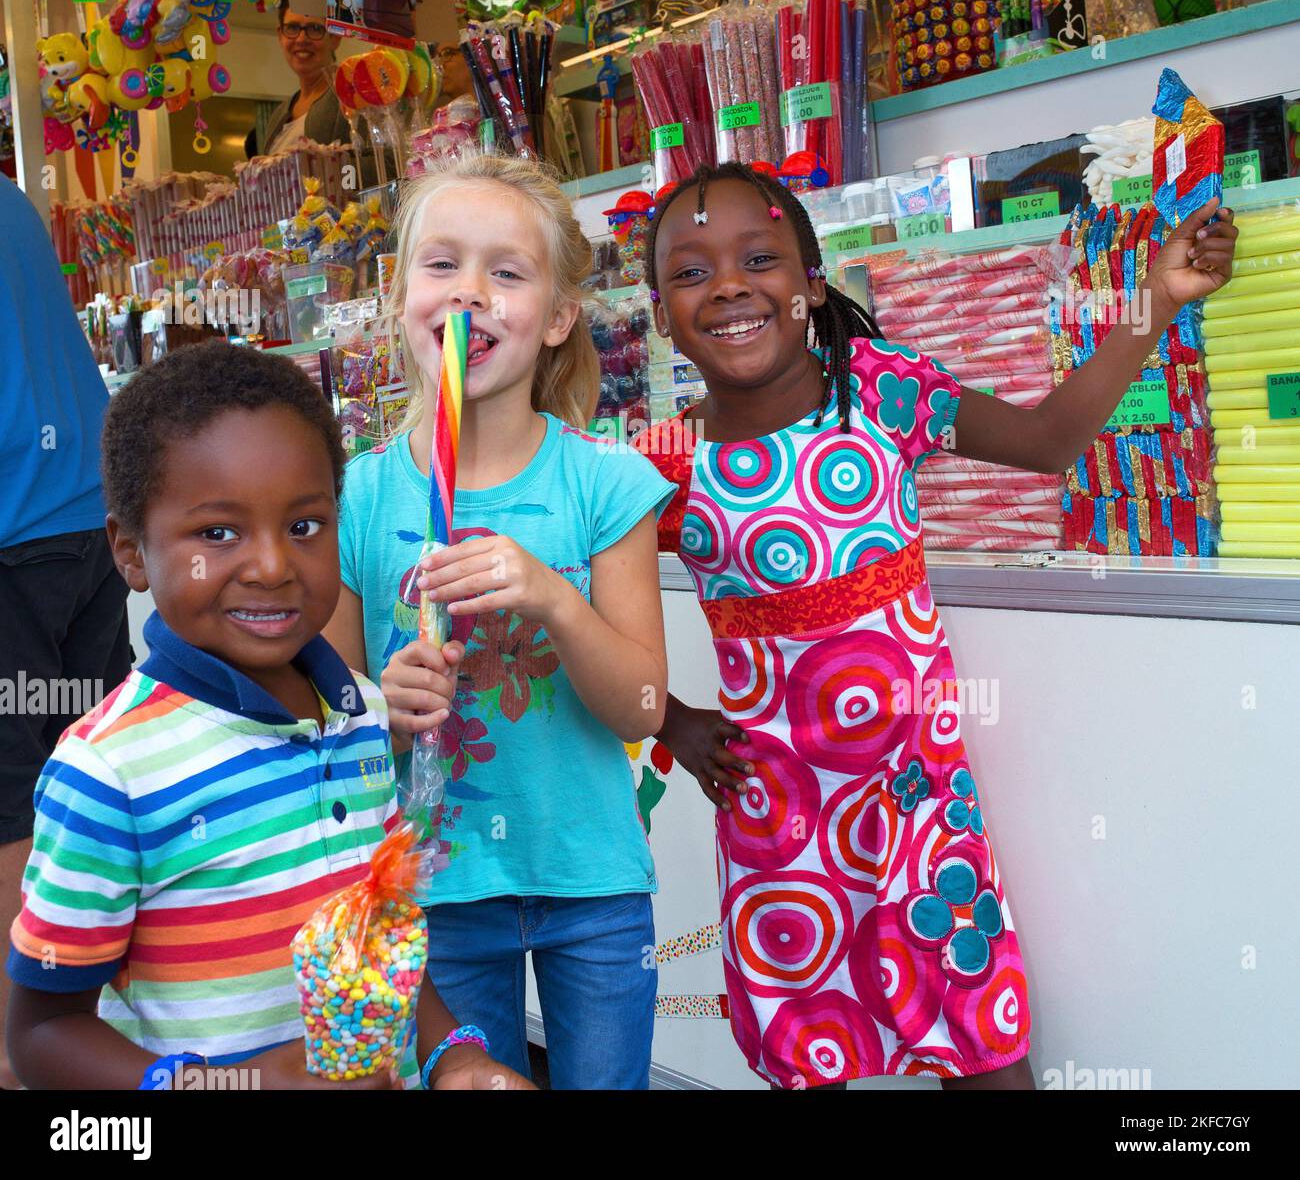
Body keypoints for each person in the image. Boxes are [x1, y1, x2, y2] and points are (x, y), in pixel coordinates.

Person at [633, 162, 1238, 1091]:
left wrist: (1156, 296)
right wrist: (668, 718)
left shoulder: (879, 393)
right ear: (661, 312)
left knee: (983, 1044)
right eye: (690, 272)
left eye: (761, 258)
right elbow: (561, 612)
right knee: (809, 1050)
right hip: (778, 817)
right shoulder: (662, 458)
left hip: (918, 803)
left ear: (813, 286)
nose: (727, 286)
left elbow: (1048, 442)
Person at [5, 342, 530, 1090]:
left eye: (304, 526)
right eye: (218, 533)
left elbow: (377, 948)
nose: (273, 566)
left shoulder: (362, 717)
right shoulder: (109, 772)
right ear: (129, 552)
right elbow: (44, 1035)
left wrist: (457, 1057)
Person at [324, 153, 674, 1089]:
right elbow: (320, 718)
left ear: (558, 318)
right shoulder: (355, 495)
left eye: (505, 273)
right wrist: (374, 703)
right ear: (401, 297)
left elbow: (642, 705)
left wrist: (554, 598)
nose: (468, 295)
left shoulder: (605, 482)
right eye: (441, 266)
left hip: (593, 884)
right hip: (430, 891)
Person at [0, 174, 131, 1089]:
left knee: (11, 798)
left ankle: (20, 1058)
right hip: (86, 517)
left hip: (14, 530)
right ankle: (93, 1030)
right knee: (87, 770)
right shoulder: (11, 199)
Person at [245, 0, 351, 159]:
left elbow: (386, 165)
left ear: (335, 38)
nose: (301, 39)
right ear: (280, 35)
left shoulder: (352, 94)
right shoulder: (277, 117)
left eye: (315, 28)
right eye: (292, 28)